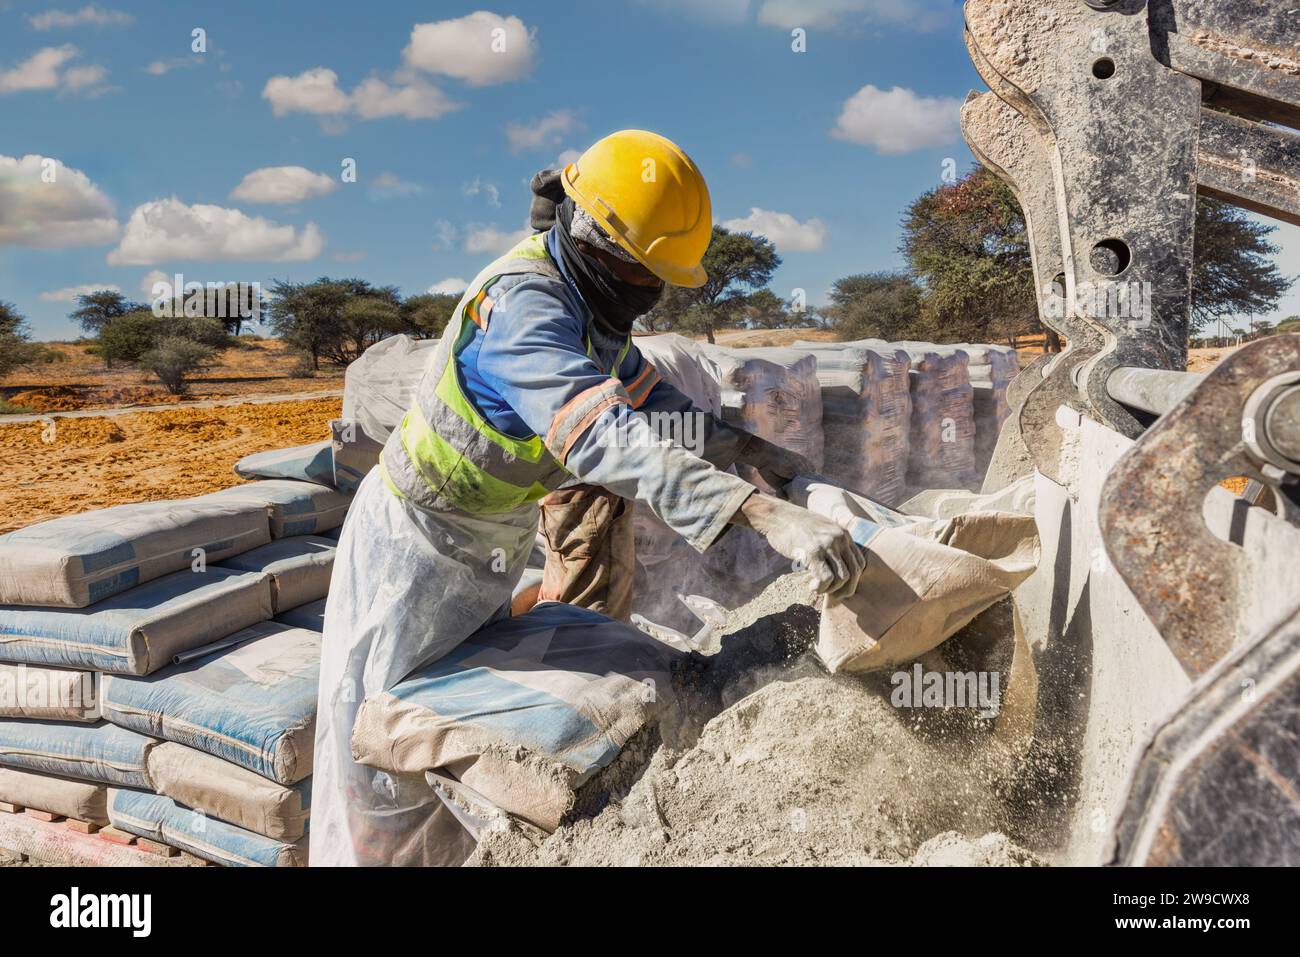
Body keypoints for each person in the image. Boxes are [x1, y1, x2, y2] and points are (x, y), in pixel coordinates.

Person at [311, 129, 865, 865]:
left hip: (483, 547)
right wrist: (756, 510)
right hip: (411, 553)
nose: (650, 290)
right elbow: (600, 436)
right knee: (383, 753)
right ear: (595, 237)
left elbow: (650, 399)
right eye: (645, 271)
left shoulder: (588, 307)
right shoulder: (525, 308)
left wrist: (750, 450)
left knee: (460, 741)